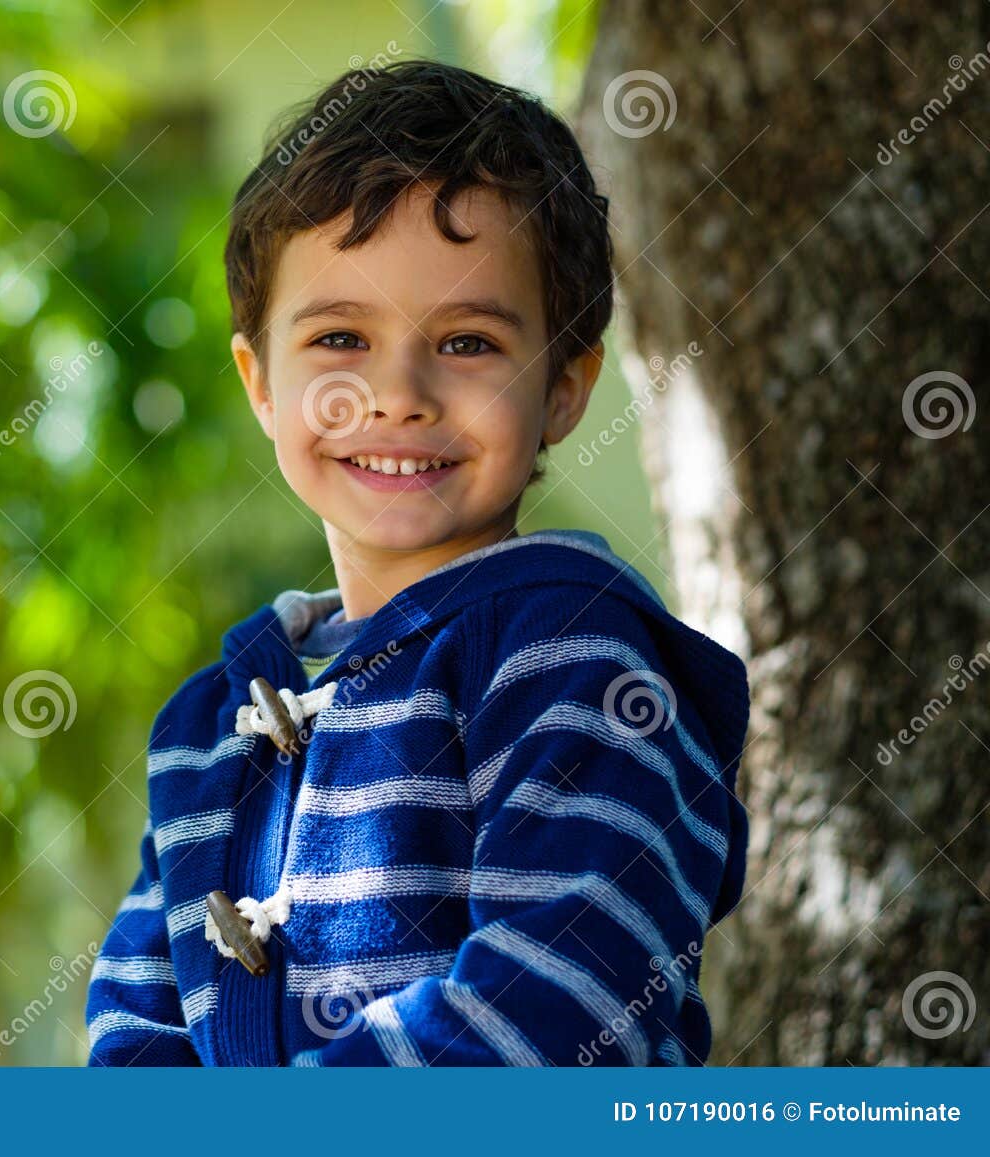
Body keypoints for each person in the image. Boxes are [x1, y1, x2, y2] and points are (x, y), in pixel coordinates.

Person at [84, 59, 749, 1066]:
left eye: (470, 342)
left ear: (565, 389)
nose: (395, 393)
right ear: (260, 382)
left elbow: (554, 1013)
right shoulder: (203, 734)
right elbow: (134, 1031)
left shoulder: (577, 664)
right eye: (341, 336)